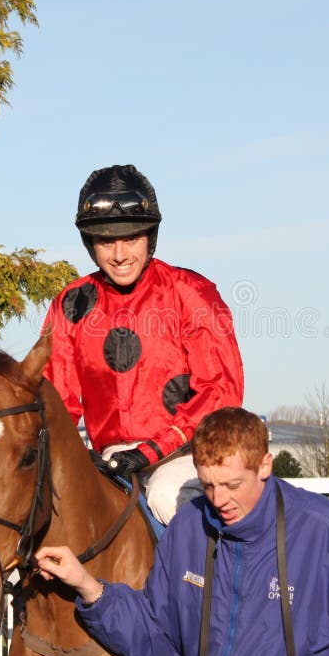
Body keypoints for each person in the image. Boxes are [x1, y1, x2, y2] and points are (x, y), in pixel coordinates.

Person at [35, 407, 329, 656]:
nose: (219, 499)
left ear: (265, 465)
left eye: (232, 485)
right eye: (209, 485)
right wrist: (88, 586)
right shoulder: (189, 528)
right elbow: (157, 633)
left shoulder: (326, 530)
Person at [41, 164, 244, 524]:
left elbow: (219, 392)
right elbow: (57, 403)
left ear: (150, 238)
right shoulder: (71, 303)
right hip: (111, 458)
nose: (120, 254)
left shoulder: (191, 293)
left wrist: (152, 450)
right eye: (106, 241)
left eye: (132, 238)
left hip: (189, 452)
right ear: (90, 244)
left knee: (166, 496)